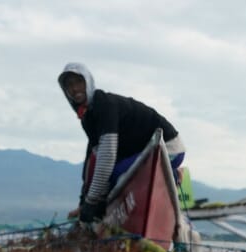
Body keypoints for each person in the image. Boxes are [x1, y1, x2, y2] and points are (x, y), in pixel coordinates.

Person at [58, 62, 186, 223]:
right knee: (111, 180)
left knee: (117, 176)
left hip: (169, 149)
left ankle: (172, 175)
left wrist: (91, 202)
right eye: (69, 85)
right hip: (143, 153)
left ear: (88, 82)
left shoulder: (103, 104)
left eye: (78, 82)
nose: (75, 88)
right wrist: (91, 202)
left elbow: (107, 157)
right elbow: (95, 161)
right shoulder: (87, 118)